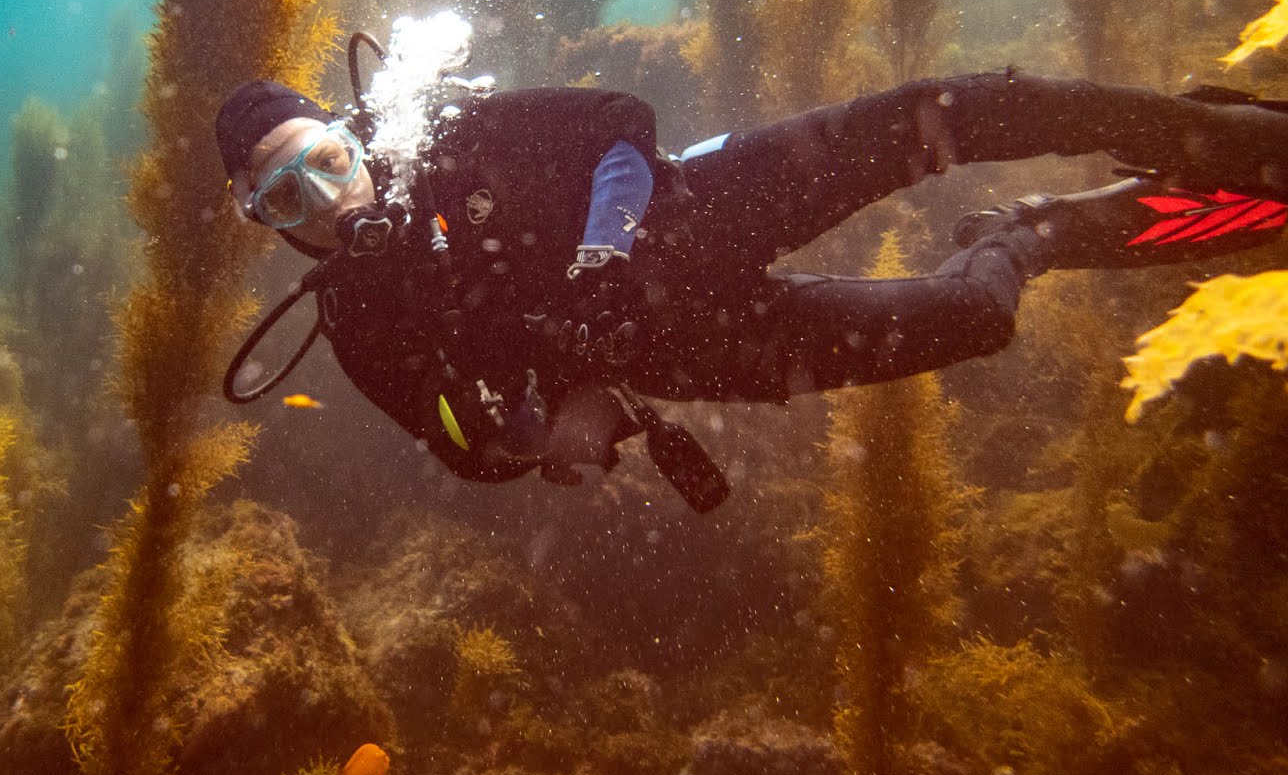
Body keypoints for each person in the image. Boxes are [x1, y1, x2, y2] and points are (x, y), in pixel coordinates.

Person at [215, 70, 1288, 510]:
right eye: (278, 196)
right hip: (690, 357)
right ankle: (1037, 232)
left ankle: (1222, 137)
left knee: (955, 111)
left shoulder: (453, 137)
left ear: (352, 140)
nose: (318, 198)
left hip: (700, 209)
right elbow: (464, 445)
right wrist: (565, 424)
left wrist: (602, 254)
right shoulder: (358, 321)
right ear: (264, 222)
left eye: (320, 160)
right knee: (974, 318)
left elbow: (621, 127)